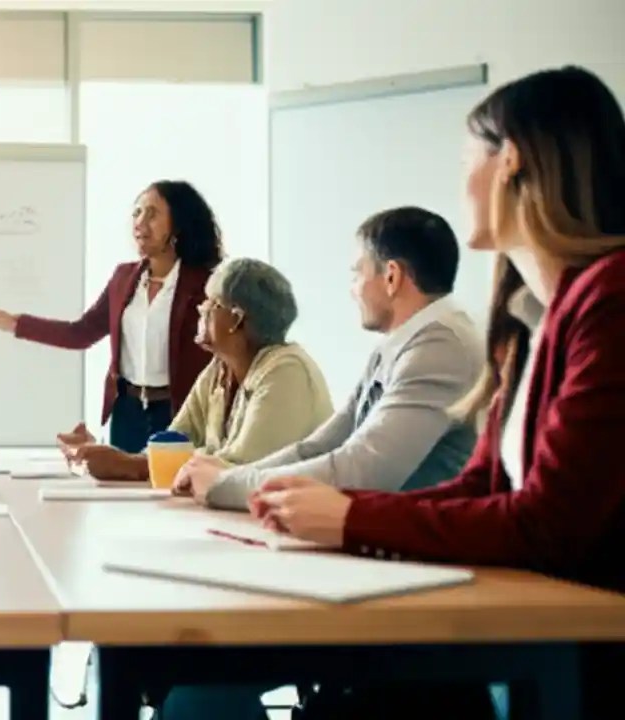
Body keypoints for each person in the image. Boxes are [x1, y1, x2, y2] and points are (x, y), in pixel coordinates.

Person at [245, 65, 625, 720]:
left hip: (584, 655)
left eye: (463, 159)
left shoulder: (610, 300)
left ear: (511, 161)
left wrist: (350, 517)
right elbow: (482, 486)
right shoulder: (528, 314)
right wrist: (338, 510)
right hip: (534, 631)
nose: (459, 180)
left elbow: (548, 522)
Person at [173, 206, 485, 510]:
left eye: (357, 273)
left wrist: (225, 486)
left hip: (422, 553)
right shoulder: (401, 344)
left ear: (392, 277)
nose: (353, 290)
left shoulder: (440, 346)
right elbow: (320, 446)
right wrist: (230, 479)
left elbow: (363, 468)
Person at [0, 180, 223, 453]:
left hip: (179, 411)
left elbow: (221, 353)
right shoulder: (124, 278)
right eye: (137, 213)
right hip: (128, 412)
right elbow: (80, 333)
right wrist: (13, 323)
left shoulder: (205, 285)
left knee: (174, 492)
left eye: (152, 214)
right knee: (123, 490)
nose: (140, 222)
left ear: (178, 224)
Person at [59, 258, 332, 482]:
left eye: (211, 303)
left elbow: (242, 471)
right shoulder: (220, 370)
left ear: (236, 320)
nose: (201, 309)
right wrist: (103, 453)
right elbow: (174, 443)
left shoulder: (286, 372)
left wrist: (131, 465)